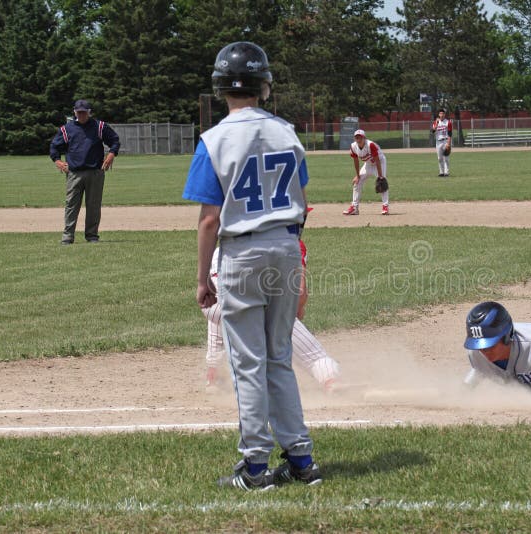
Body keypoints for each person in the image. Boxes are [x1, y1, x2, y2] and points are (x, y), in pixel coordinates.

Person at [182, 41, 320, 491]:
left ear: (220, 85)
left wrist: (203, 278)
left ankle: (256, 467)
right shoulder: (288, 132)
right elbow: (301, 204)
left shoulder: (214, 139)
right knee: (280, 357)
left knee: (247, 363)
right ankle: (301, 460)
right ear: (264, 85)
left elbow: (209, 219)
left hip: (242, 252)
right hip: (285, 246)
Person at [203, 238, 342, 393]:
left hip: (211, 306)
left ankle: (213, 376)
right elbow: (299, 290)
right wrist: (296, 310)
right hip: (252, 307)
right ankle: (331, 381)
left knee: (223, 306)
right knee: (315, 356)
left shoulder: (229, 242)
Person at [49, 99, 120, 245]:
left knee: (93, 205)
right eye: (79, 112)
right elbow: (54, 147)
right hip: (74, 173)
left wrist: (111, 154)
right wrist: (58, 161)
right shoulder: (67, 129)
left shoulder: (99, 126)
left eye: (84, 112)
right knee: (71, 205)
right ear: (74, 112)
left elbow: (114, 140)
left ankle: (92, 235)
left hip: (95, 172)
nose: (81, 115)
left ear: (89, 112)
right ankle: (68, 236)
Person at [342, 129, 389, 216]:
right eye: (356, 137)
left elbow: (377, 160)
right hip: (368, 164)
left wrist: (380, 176)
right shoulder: (353, 147)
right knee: (357, 182)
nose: (358, 139)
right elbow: (356, 161)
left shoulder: (370, 145)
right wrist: (357, 176)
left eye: (360, 137)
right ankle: (354, 208)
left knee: (382, 183)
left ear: (364, 138)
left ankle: (385, 206)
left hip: (379, 162)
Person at [431, 108, 452, 177]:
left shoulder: (448, 122)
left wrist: (448, 143)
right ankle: (441, 172)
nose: (442, 115)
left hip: (445, 140)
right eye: (440, 113)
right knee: (439, 158)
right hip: (438, 142)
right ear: (439, 115)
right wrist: (436, 123)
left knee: (446, 158)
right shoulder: (435, 122)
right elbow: (433, 131)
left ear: (445, 114)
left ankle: (446, 172)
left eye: (443, 113)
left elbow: (450, 133)